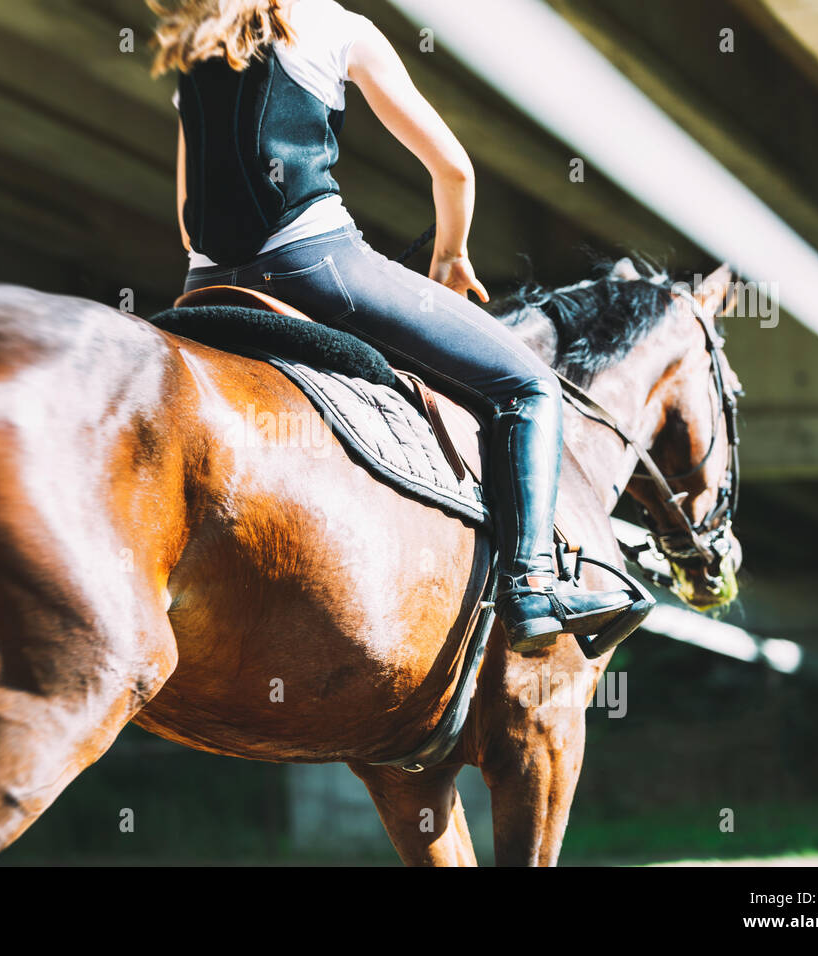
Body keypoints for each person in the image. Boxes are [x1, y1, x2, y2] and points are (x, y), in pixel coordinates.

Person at [150, 0, 638, 652]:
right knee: (526, 386)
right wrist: (451, 254)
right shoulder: (341, 28)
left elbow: (188, 222)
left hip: (204, 285)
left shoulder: (197, 47)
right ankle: (531, 584)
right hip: (316, 269)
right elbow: (453, 169)